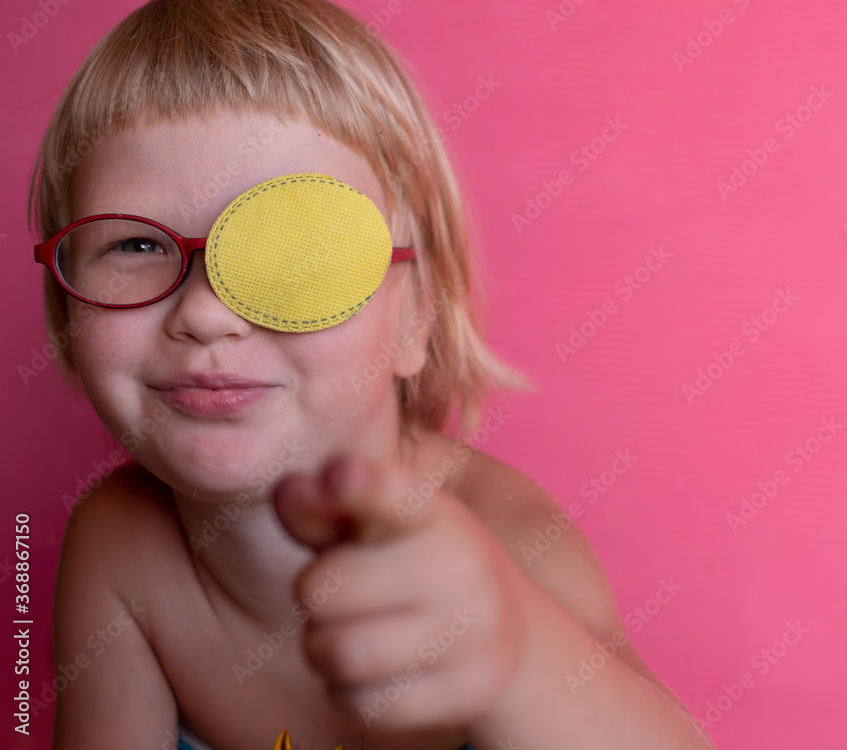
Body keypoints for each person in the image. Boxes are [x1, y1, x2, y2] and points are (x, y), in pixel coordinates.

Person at [28, 0, 717, 748]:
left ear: (417, 317)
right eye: (133, 245)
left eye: (298, 251)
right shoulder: (121, 543)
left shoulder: (496, 537)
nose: (206, 313)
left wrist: (520, 658)